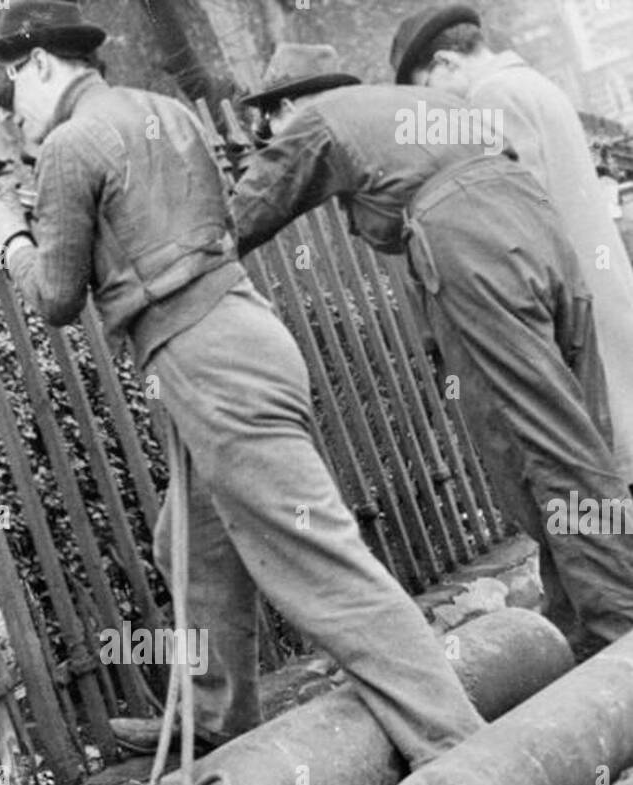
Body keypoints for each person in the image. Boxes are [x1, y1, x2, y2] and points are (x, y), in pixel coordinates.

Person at [0, 1, 484, 769]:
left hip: (205, 362)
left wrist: (6, 232)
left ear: (39, 63)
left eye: (4, 94)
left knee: (318, 562)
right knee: (189, 540)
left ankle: (462, 750)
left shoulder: (72, 145)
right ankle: (215, 720)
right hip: (236, 335)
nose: (6, 116)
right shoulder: (166, 113)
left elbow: (55, 297)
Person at [232, 46, 633, 660]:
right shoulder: (419, 106)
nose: (269, 136)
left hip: (474, 244)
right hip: (538, 228)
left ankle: (618, 639)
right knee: (581, 431)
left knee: (536, 443)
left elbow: (239, 218)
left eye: (268, 122)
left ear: (289, 103)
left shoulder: (317, 120)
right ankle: (580, 618)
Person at [391, 4, 633, 490]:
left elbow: (516, 211)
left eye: (427, 91)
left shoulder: (492, 96)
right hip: (598, 279)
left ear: (445, 64)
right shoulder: (531, 83)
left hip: (573, 294)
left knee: (613, 447)